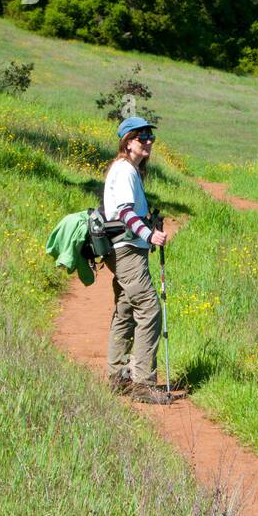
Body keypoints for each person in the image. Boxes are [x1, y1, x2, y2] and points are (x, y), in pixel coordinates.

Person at [102, 116, 173, 405]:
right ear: (127, 142)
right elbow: (124, 212)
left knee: (125, 311)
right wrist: (149, 235)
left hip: (125, 248)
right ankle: (142, 383)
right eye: (142, 137)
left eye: (151, 137)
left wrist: (148, 229)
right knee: (149, 309)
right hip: (127, 250)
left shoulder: (129, 170)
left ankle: (117, 377)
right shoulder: (124, 170)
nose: (148, 141)